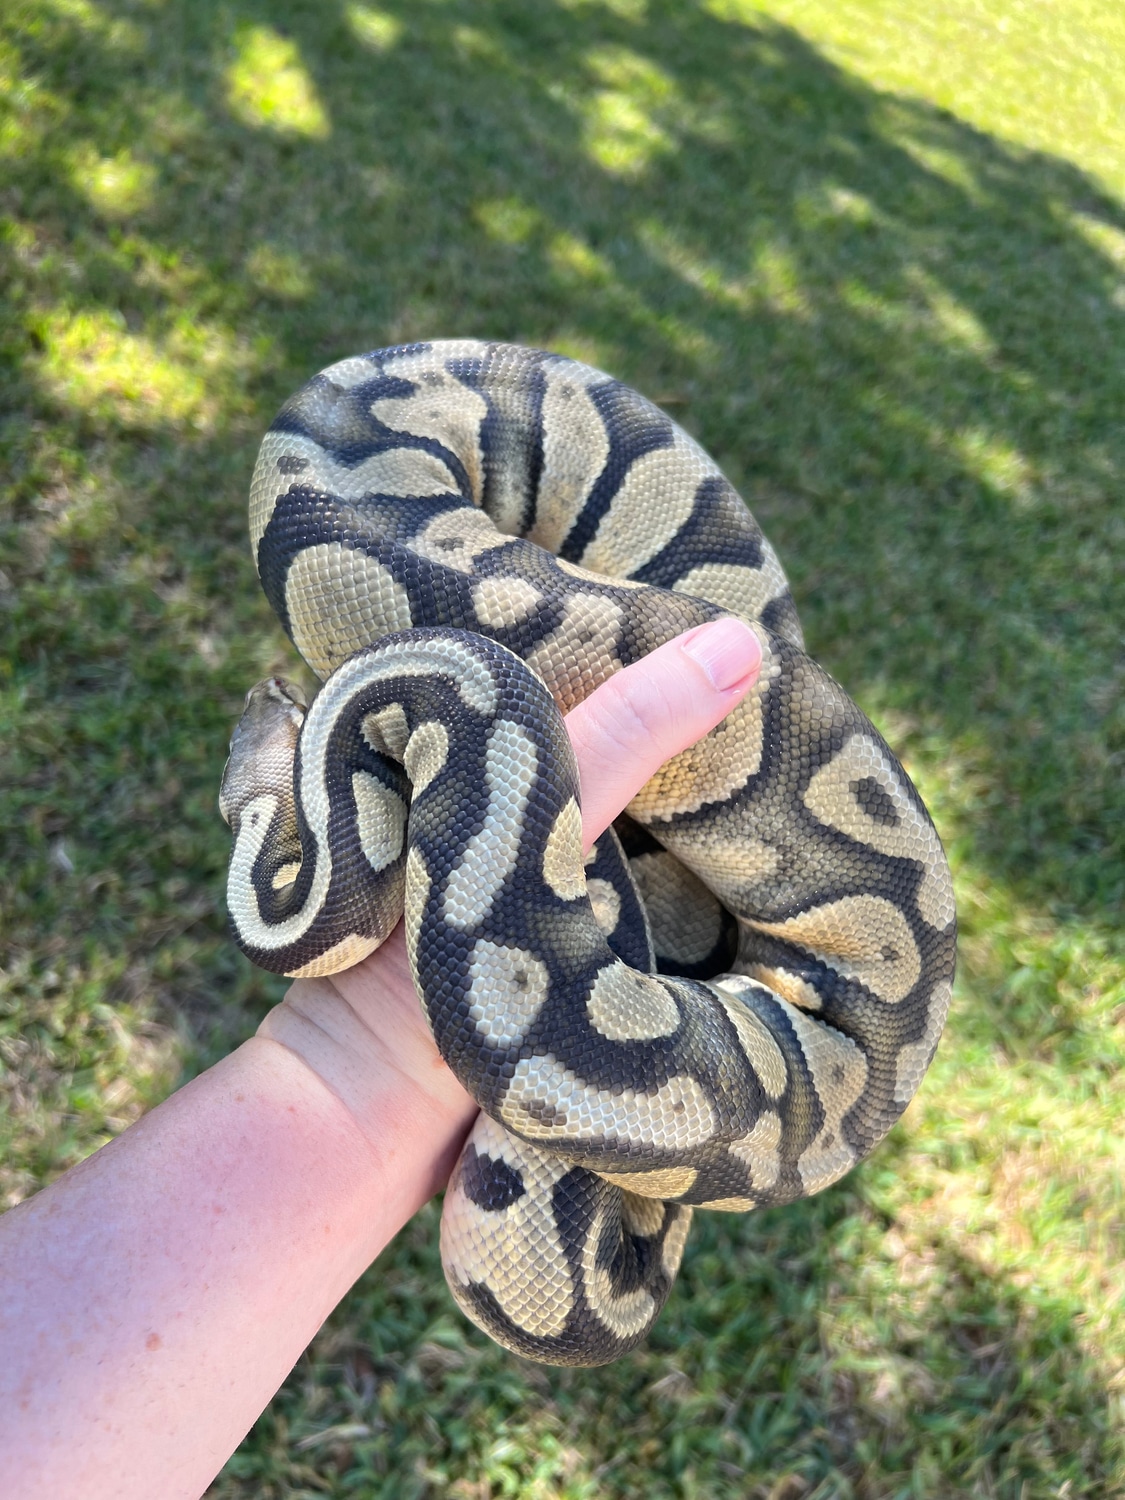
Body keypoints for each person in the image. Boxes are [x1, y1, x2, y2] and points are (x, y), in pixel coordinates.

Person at [0, 618, 762, 1500]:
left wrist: (378, 1044)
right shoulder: (338, 804)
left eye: (289, 724)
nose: (282, 706)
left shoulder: (297, 896)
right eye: (287, 726)